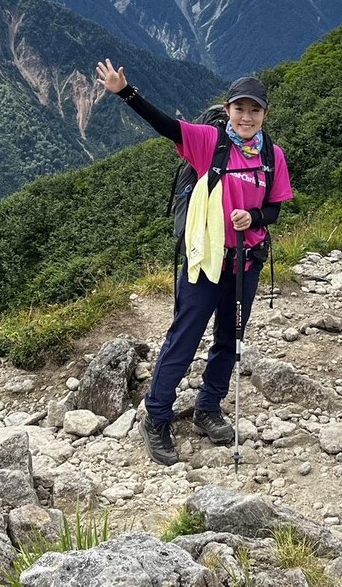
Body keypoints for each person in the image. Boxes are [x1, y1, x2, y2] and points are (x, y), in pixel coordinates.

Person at [95, 59, 293, 466]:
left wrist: (252, 218)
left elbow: (273, 209)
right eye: (240, 108)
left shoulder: (273, 156)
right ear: (227, 110)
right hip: (206, 262)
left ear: (265, 114)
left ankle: (208, 408)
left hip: (246, 263)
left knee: (229, 340)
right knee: (184, 338)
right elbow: (166, 125)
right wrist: (125, 92)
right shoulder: (210, 143)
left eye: (255, 110)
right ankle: (157, 415)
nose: (246, 117)